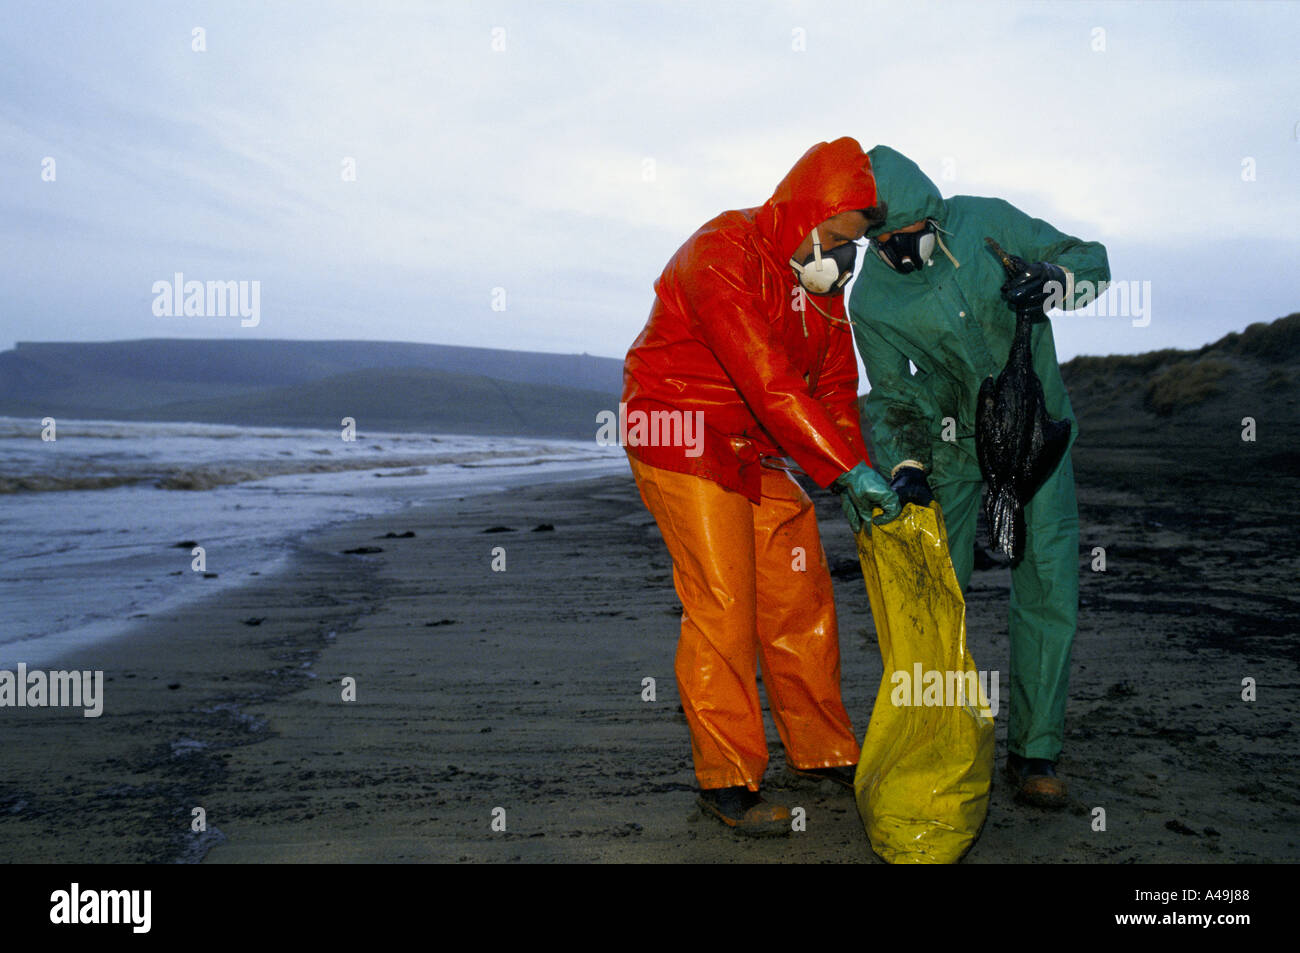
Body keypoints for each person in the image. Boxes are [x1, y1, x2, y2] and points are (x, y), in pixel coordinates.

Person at [622, 137, 900, 835]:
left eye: (855, 247)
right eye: (835, 238)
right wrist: (842, 471)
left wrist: (856, 470)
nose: (843, 259)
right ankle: (727, 780)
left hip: (754, 443)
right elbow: (766, 376)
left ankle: (824, 750)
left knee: (797, 590)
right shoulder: (722, 251)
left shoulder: (823, 290)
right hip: (677, 428)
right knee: (724, 600)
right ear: (801, 212)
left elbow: (835, 390)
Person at [846, 145, 1110, 808]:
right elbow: (893, 394)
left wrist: (1051, 281)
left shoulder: (986, 221)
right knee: (937, 588)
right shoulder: (870, 301)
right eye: (888, 242)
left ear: (936, 217)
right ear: (870, 236)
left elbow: (1094, 261)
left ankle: (1036, 749)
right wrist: (906, 465)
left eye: (916, 237)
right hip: (953, 449)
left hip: (1037, 435)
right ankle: (939, 732)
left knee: (1047, 583)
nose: (904, 251)